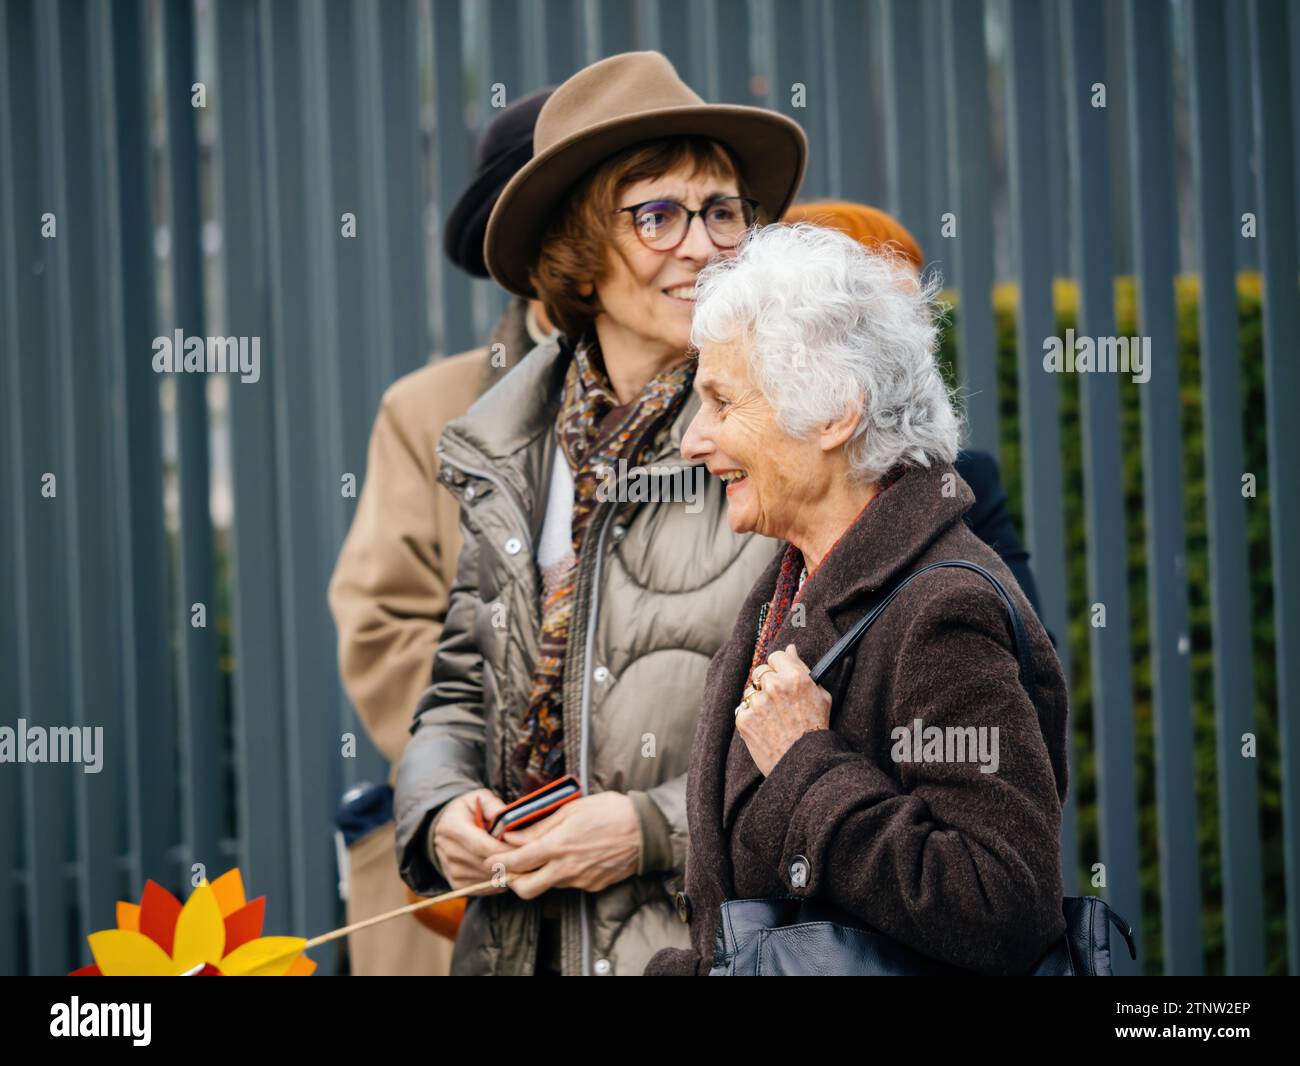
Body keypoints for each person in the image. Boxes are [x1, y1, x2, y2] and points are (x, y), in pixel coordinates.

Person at [393, 51, 808, 976]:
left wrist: (648, 830)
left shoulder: (798, 430)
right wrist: (439, 809)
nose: (702, 245)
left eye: (722, 210)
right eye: (657, 214)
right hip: (515, 947)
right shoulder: (509, 444)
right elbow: (460, 685)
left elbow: (850, 727)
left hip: (702, 951)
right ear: (579, 257)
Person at [645, 223, 1069, 976]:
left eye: (721, 402)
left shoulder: (940, 609)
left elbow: (1002, 905)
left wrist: (809, 762)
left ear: (837, 410)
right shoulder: (793, 579)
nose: (693, 440)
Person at [328, 87, 555, 976]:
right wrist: (527, 762)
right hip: (460, 857)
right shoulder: (426, 408)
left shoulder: (711, 402)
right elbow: (381, 622)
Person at [784, 200, 1042, 616]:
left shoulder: (962, 482)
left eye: (919, 313)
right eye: (893, 317)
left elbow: (1028, 652)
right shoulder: (741, 497)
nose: (924, 340)